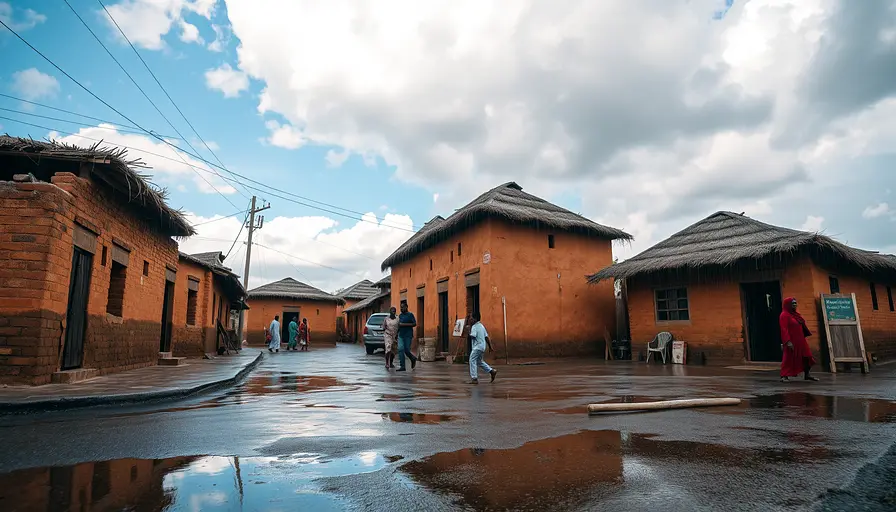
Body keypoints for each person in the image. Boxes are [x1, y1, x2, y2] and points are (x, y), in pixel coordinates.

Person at [779, 297, 817, 382]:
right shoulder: (784, 315)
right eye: (793, 303)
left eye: (795, 303)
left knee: (807, 356)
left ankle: (807, 374)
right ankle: (784, 376)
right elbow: (784, 329)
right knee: (788, 358)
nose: (795, 305)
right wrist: (787, 341)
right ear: (788, 305)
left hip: (801, 340)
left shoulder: (795, 315)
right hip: (791, 341)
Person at [468, 311, 497, 384]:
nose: (470, 319)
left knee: (472, 360)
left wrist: (468, 331)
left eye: (471, 318)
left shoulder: (474, 327)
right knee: (479, 361)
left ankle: (474, 378)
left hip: (477, 347)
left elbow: (473, 336)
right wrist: (490, 347)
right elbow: (486, 337)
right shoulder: (481, 326)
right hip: (482, 347)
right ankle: (491, 371)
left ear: (475, 319)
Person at [396, 301, 418, 371]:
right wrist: (396, 334)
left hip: (408, 335)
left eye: (402, 307)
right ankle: (402, 366)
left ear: (406, 307)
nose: (401, 309)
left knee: (406, 350)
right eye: (400, 307)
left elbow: (414, 324)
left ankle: (413, 358)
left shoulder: (410, 315)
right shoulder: (400, 316)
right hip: (401, 335)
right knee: (400, 349)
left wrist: (404, 324)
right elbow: (399, 325)